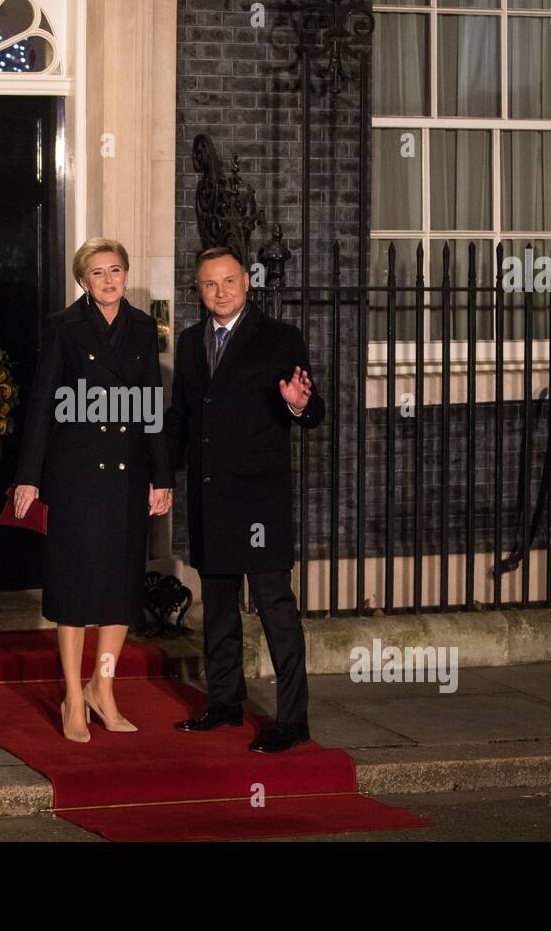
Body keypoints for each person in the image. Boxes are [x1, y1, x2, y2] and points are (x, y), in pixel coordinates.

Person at [13, 238, 173, 742]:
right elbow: (41, 405)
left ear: (126, 276)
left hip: (126, 475)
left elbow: (152, 406)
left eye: (116, 271)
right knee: (76, 587)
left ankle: (101, 689)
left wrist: (162, 476)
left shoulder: (144, 329)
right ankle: (71, 697)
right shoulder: (64, 326)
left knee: (119, 589)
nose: (109, 280)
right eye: (98, 273)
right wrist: (28, 476)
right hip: (75, 475)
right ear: (84, 281)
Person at [165, 246, 324, 752]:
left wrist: (300, 406)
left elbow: (313, 407)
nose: (220, 292)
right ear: (199, 289)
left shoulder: (280, 339)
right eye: (209, 284)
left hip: (260, 500)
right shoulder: (190, 343)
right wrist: (162, 478)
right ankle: (225, 703)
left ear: (247, 282)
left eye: (228, 281)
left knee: (276, 608)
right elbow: (182, 420)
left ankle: (293, 721)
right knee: (217, 607)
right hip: (211, 497)